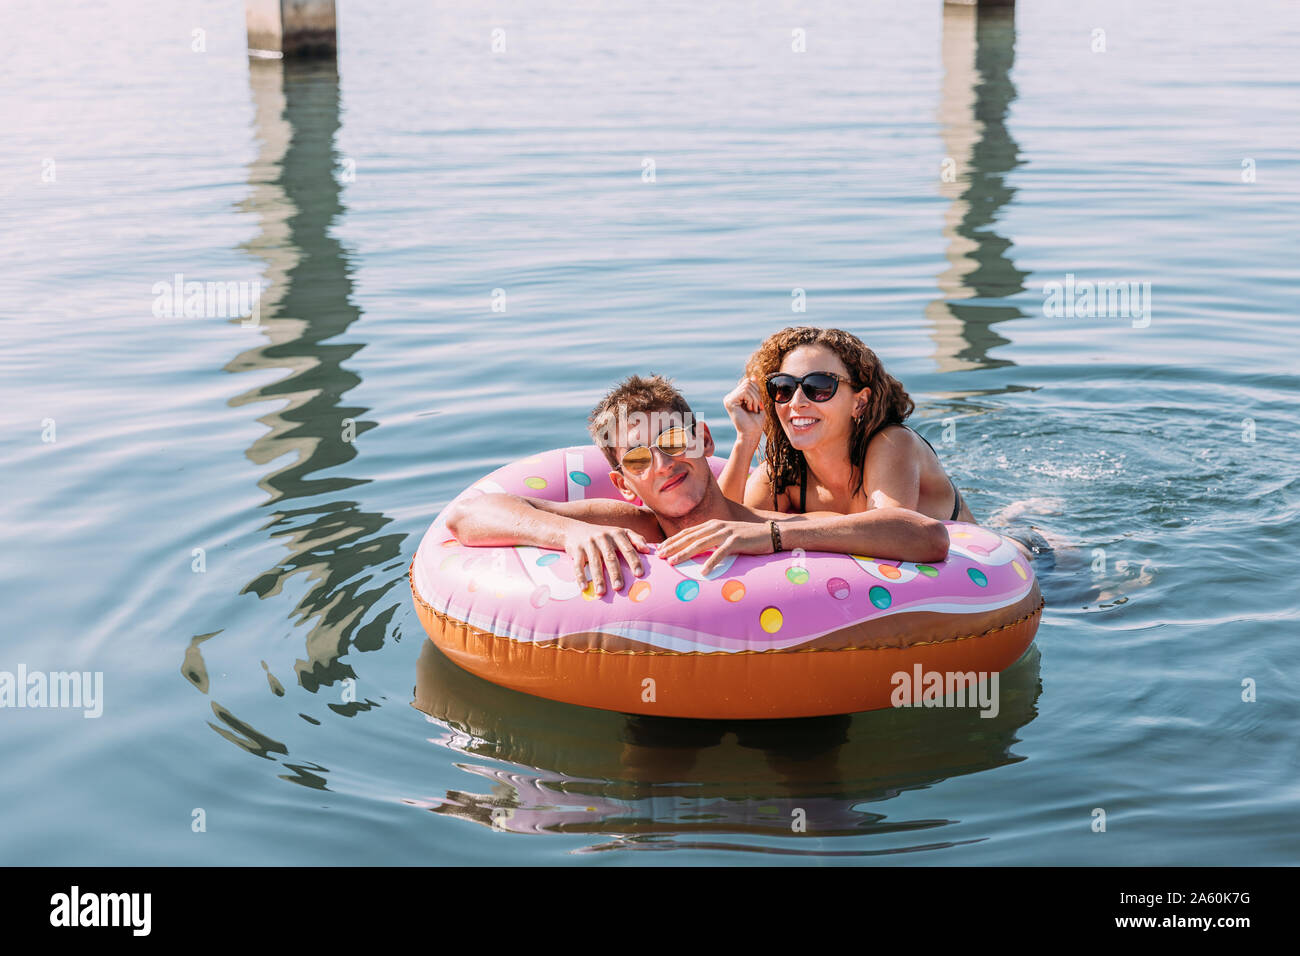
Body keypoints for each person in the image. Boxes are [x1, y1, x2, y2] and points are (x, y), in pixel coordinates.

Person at [444, 374, 949, 596]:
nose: (663, 462)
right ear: (623, 485)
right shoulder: (633, 524)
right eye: (640, 456)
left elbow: (927, 537)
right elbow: (471, 513)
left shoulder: (769, 523)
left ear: (704, 440)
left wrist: (772, 538)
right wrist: (569, 534)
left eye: (672, 440)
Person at [719, 326, 1049, 565]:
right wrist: (745, 439)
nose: (797, 402)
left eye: (819, 387)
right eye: (783, 387)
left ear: (859, 403)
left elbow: (896, 530)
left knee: (1085, 599)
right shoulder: (781, 473)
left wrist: (777, 531)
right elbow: (721, 526)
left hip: (1023, 558)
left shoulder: (893, 444)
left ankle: (1029, 517)